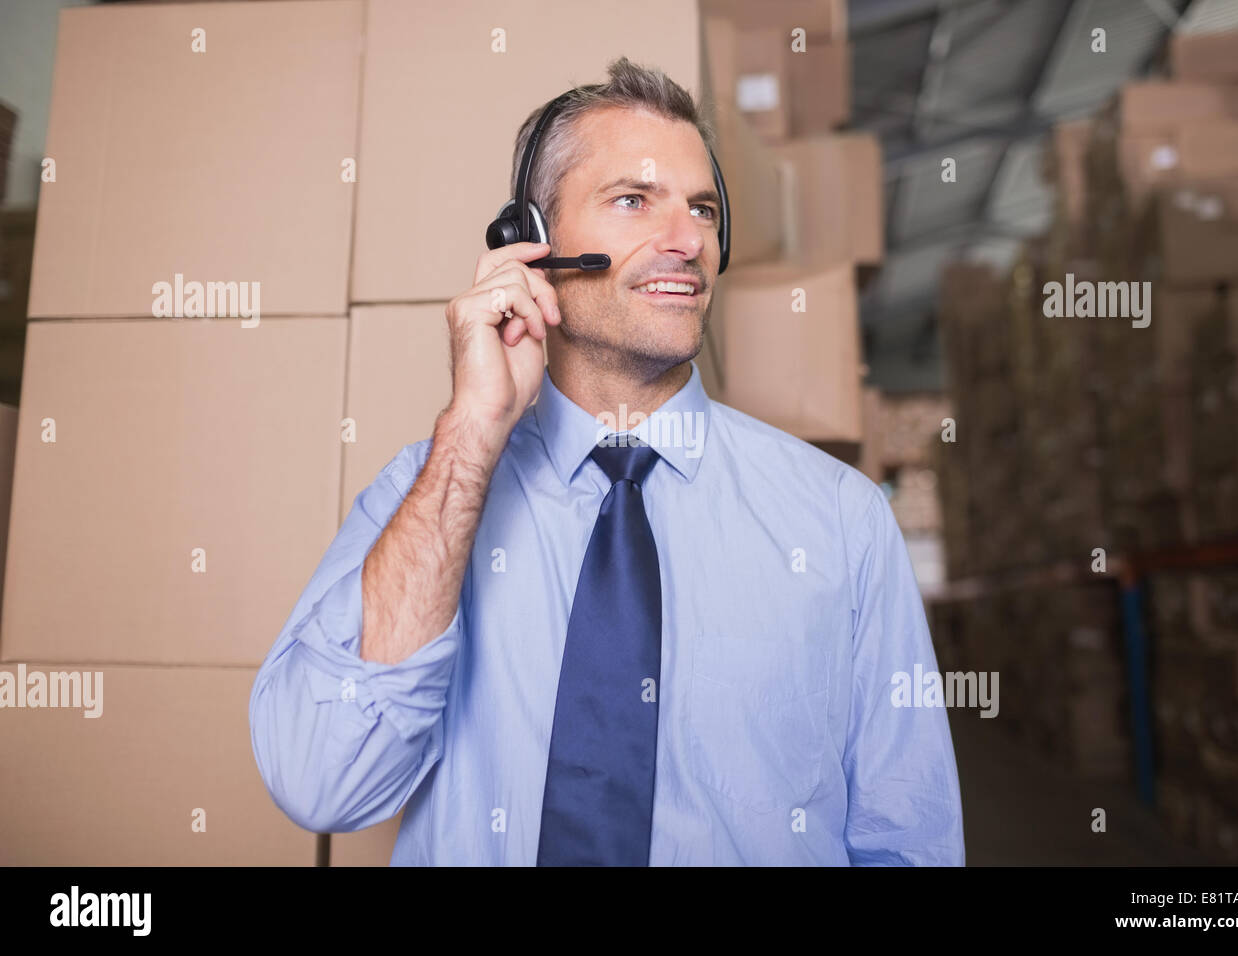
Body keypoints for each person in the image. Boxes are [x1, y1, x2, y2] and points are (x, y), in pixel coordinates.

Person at [249, 57, 964, 866]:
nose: (686, 240)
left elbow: (909, 842)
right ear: (530, 243)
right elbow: (322, 781)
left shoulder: (842, 520)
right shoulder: (427, 492)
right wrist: (472, 434)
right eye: (634, 201)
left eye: (701, 209)